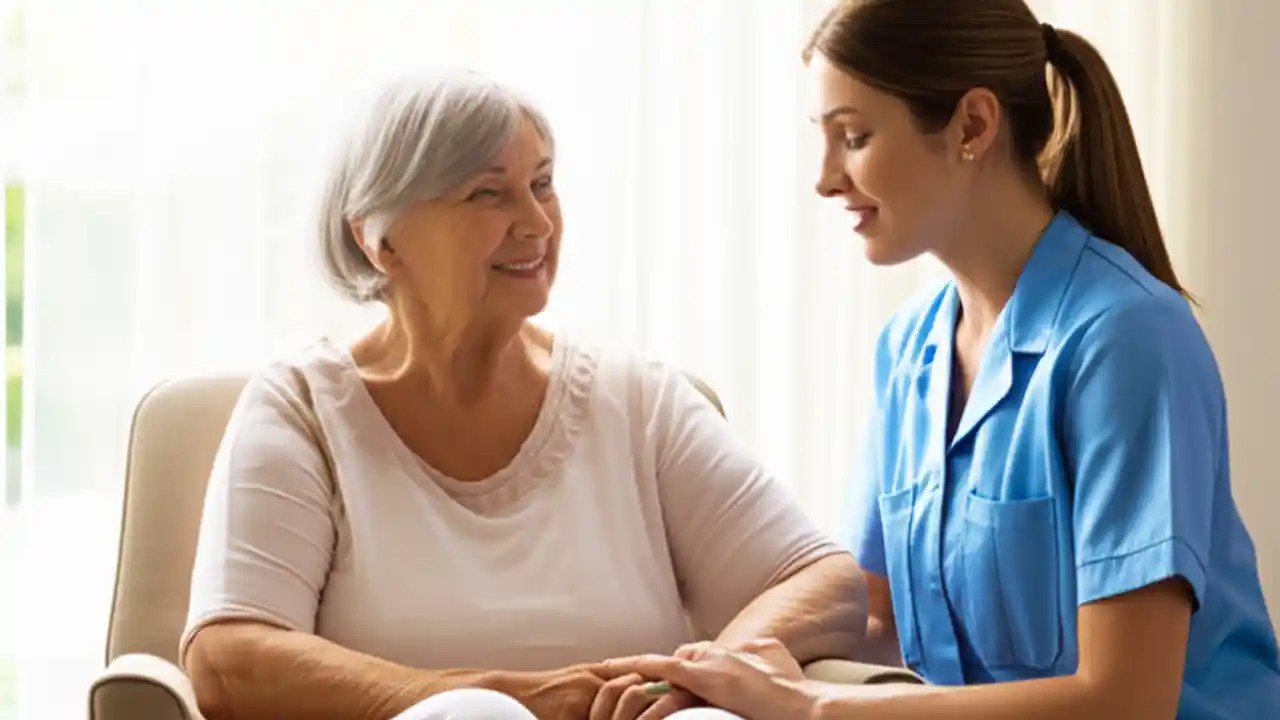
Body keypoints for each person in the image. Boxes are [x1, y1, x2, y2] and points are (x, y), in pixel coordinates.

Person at [602, 1, 1280, 718]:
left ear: (973, 126)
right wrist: (717, 667)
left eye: (854, 136)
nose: (826, 179)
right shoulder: (910, 350)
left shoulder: (1126, 340)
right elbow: (874, 609)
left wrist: (811, 708)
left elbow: (1124, 698)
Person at [179, 72, 866, 720]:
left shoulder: (637, 400)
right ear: (378, 239)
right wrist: (507, 697)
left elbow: (823, 581)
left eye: (542, 184)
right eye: (488, 193)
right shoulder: (303, 410)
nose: (536, 223)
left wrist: (700, 674)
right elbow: (226, 658)